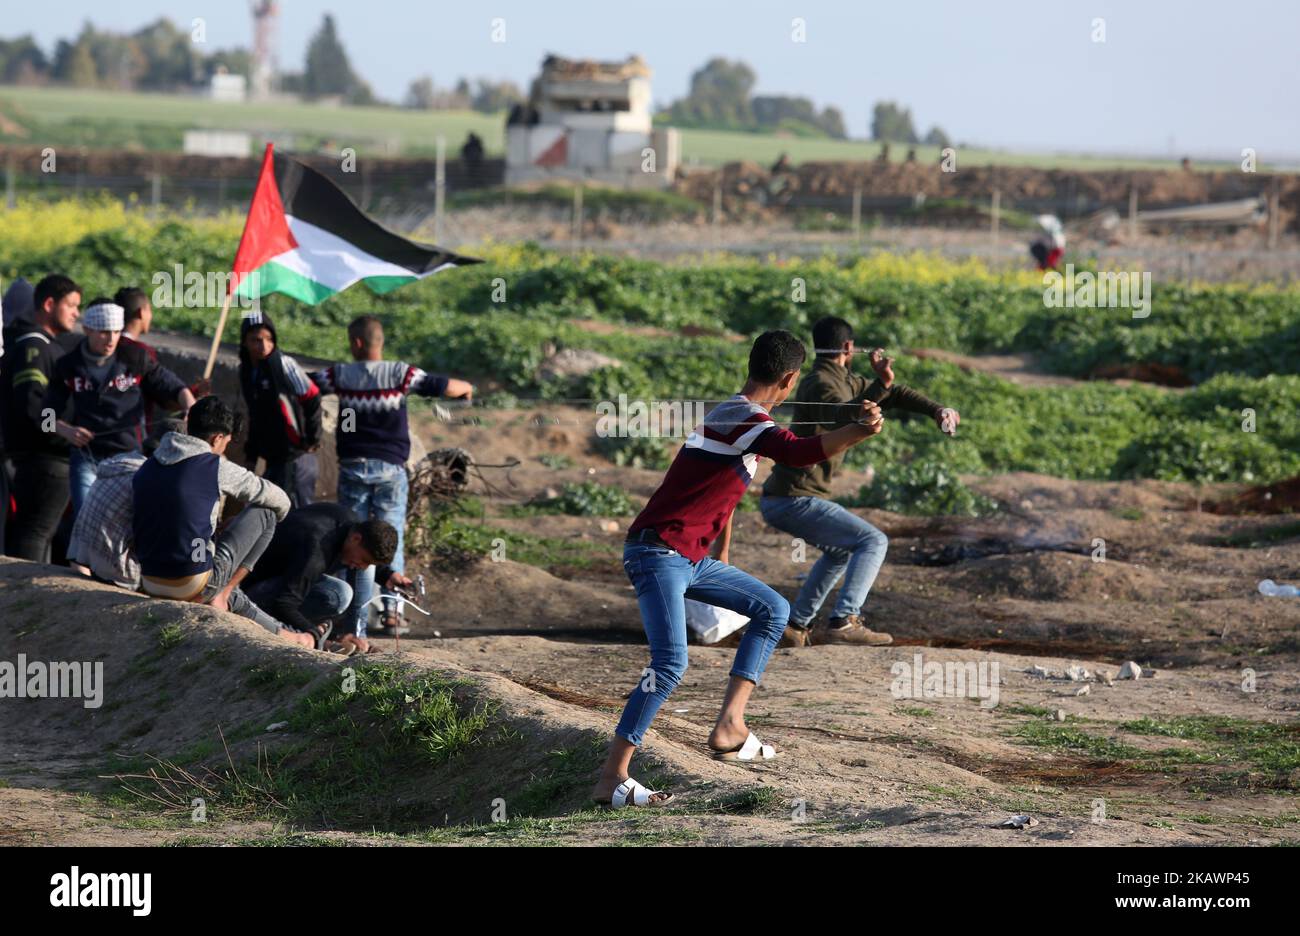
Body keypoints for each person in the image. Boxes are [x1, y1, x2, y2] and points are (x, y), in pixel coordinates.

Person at [591, 330, 885, 808]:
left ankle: (730, 726)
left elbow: (719, 493)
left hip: (688, 558)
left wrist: (720, 554)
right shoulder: (746, 418)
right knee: (670, 664)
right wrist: (861, 431)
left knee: (773, 608)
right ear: (790, 379)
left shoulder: (733, 416)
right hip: (657, 553)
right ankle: (612, 777)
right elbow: (799, 452)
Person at [759, 316, 960, 647]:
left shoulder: (845, 379)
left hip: (794, 497)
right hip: (791, 498)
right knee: (873, 541)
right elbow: (838, 412)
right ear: (849, 347)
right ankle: (844, 620)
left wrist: (935, 409)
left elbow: (894, 395)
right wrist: (869, 401)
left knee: (839, 552)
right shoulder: (818, 382)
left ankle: (795, 625)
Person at [311, 315, 471, 637]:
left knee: (353, 539)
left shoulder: (341, 375)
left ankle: (344, 613)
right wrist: (466, 388)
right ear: (379, 342)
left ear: (356, 343)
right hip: (389, 470)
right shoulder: (400, 373)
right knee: (389, 536)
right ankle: (393, 613)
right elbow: (442, 386)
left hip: (354, 466)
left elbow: (306, 385)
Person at [131, 396, 305, 646]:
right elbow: (280, 500)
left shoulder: (149, 464)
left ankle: (290, 635)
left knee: (208, 558)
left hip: (149, 579)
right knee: (265, 512)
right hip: (192, 583)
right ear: (217, 439)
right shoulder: (213, 466)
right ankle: (222, 595)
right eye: (227, 442)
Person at [45, 299, 196, 518]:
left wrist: (190, 406)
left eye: (116, 332)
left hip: (129, 456)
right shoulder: (68, 365)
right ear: (87, 329)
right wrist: (65, 430)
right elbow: (46, 416)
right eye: (104, 332)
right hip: (86, 457)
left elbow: (173, 386)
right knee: (87, 518)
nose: (111, 339)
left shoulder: (136, 359)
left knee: (126, 521)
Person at [242, 502, 410, 655]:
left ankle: (353, 635)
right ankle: (331, 637)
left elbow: (363, 555)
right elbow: (284, 602)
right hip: (251, 592)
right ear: (356, 538)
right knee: (337, 595)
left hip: (284, 575)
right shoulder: (316, 551)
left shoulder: (350, 524)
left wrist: (388, 575)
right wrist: (318, 633)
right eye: (365, 560)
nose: (364, 565)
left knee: (358, 572)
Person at [1, 274, 81, 561]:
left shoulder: (46, 346)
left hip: (46, 458)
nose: (77, 314)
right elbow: (34, 405)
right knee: (33, 535)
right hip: (43, 459)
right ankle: (20, 598)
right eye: (71, 305)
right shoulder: (35, 348)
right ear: (49, 304)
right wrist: (62, 431)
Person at [238, 312, 322, 508]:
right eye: (256, 340)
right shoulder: (247, 371)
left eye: (269, 339)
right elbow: (256, 415)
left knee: (295, 517)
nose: (264, 346)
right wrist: (251, 456)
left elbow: (312, 397)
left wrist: (312, 438)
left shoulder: (283, 365)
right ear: (244, 342)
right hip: (274, 458)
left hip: (295, 457)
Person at [67, 451, 147, 589]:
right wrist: (59, 429)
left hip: (121, 456)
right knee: (37, 532)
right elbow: (43, 428)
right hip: (75, 456)